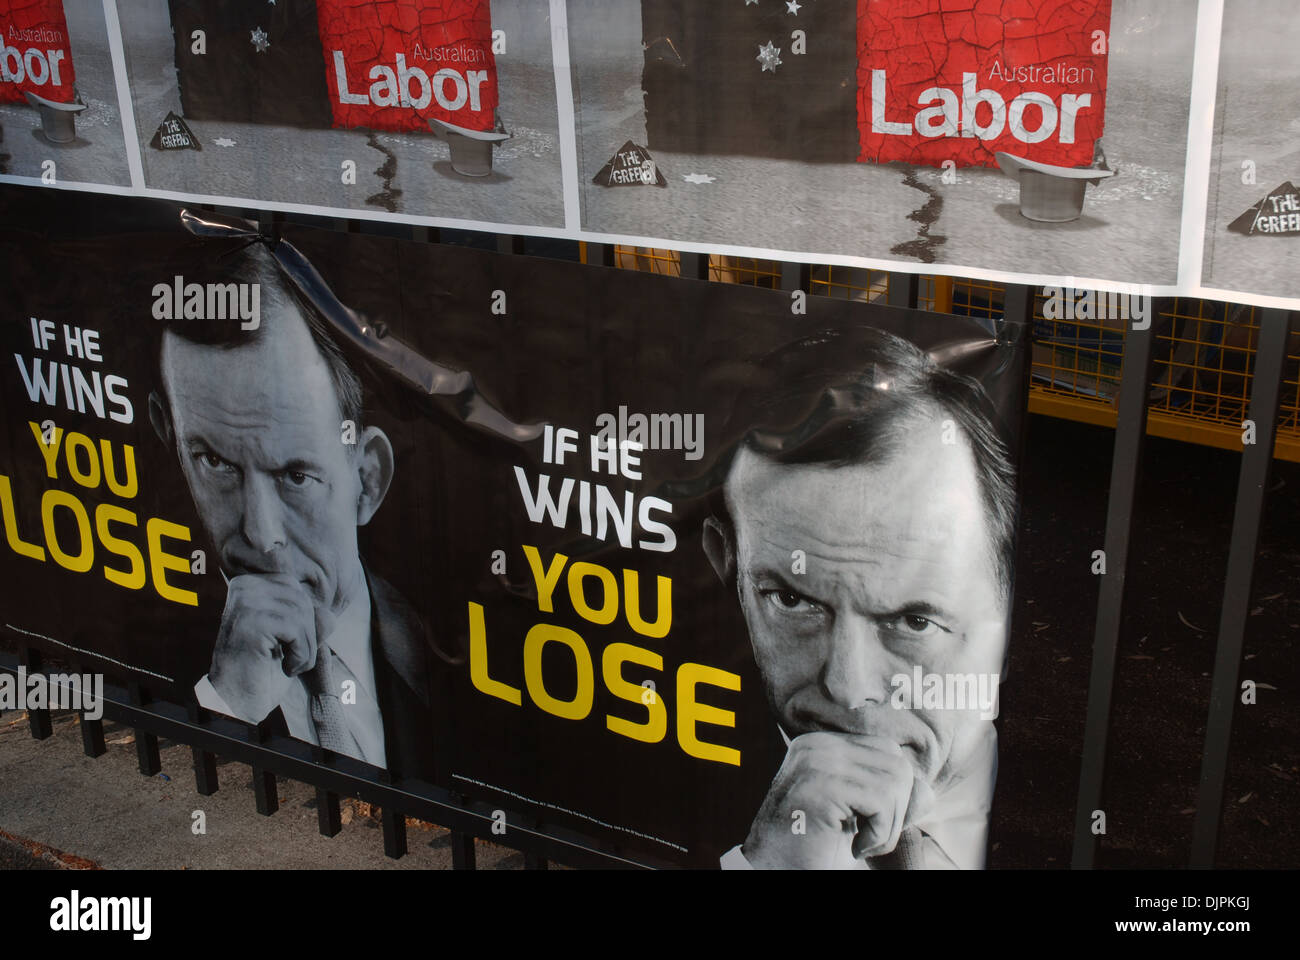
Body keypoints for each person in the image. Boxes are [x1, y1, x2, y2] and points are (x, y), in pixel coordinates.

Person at [703, 326, 1017, 869]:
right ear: (725, 561)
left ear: (1008, 597)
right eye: (792, 602)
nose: (849, 688)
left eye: (914, 621)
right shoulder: (647, 781)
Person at [148, 240, 435, 780]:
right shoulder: (141, 643)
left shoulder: (454, 652)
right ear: (171, 442)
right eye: (214, 463)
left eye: (295, 476)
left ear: (367, 478)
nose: (261, 534)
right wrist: (225, 704)